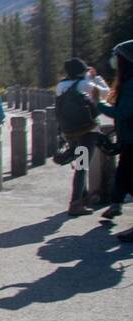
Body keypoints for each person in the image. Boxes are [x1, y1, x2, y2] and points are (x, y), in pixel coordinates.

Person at [53, 56, 108, 215]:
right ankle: (75, 203)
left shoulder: (61, 85)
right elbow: (106, 94)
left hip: (71, 132)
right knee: (82, 167)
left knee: (79, 164)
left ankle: (82, 198)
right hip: (87, 131)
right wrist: (97, 78)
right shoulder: (84, 84)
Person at [97, 41, 133, 241]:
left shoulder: (131, 83)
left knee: (127, 177)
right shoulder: (128, 82)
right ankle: (115, 204)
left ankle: (113, 204)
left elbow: (123, 111)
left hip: (130, 138)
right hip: (128, 138)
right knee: (124, 174)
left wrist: (98, 103)